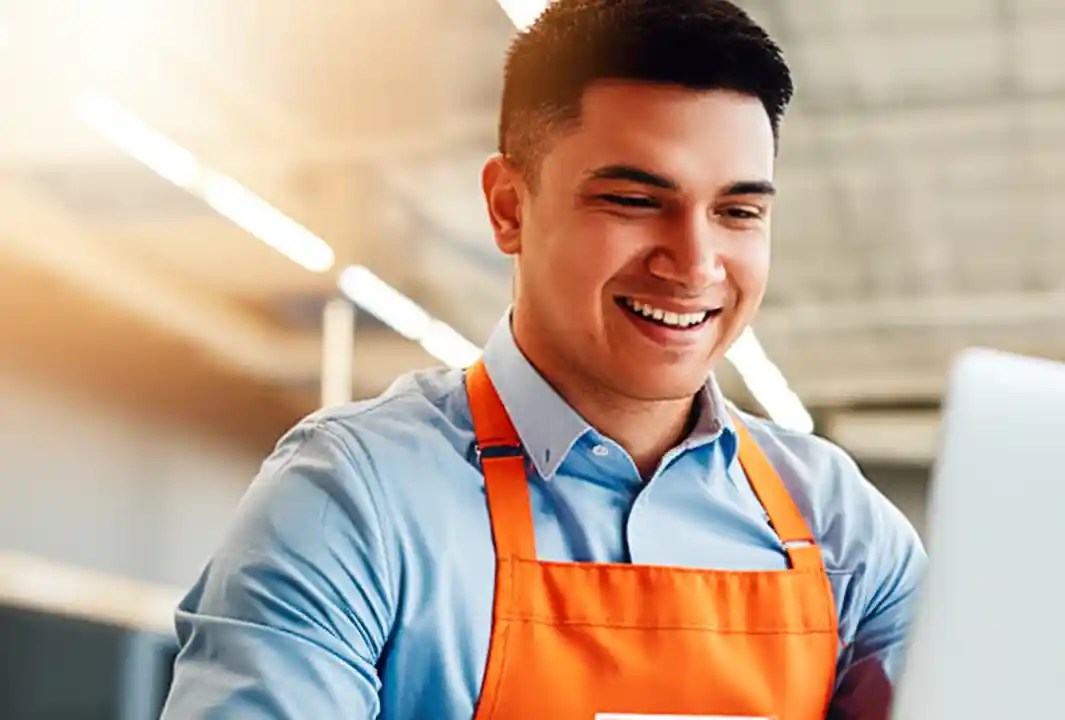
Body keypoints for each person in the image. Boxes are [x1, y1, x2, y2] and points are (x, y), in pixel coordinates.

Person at [160, 1, 926, 718]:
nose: (695, 264)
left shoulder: (843, 530)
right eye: (633, 200)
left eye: (737, 212)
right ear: (508, 207)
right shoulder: (354, 502)